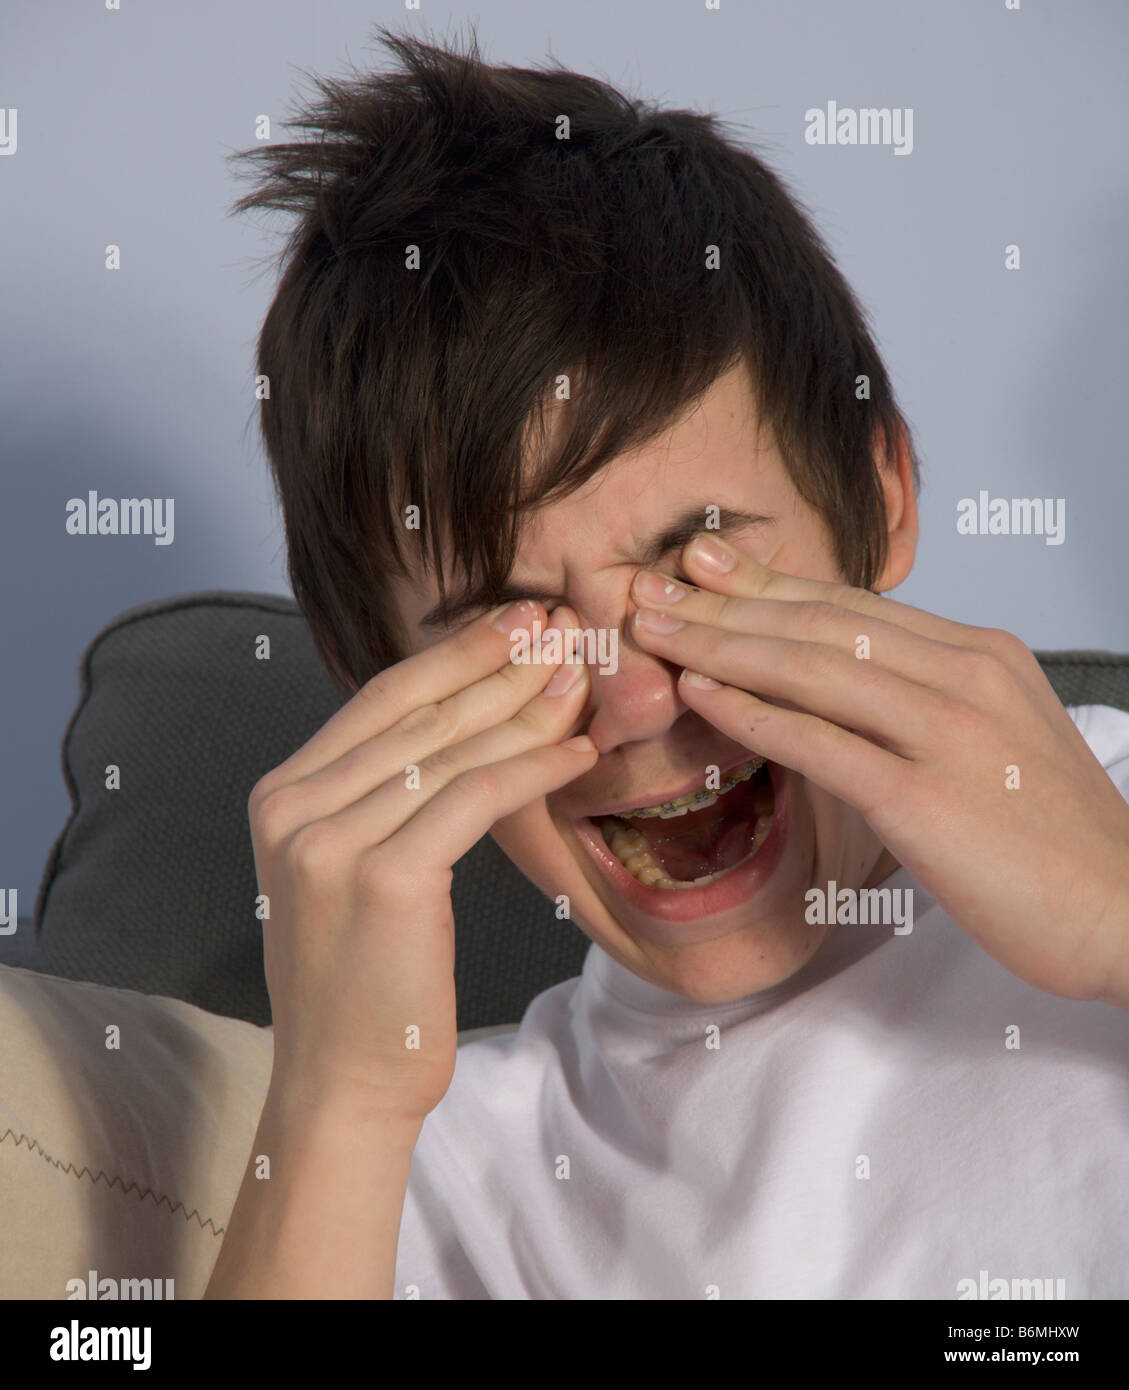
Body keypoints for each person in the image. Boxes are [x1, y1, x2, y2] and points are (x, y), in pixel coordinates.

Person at [204, 26, 1129, 1299]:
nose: (638, 700)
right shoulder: (446, 1168)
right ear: (382, 692)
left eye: (695, 558)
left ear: (882, 496)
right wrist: (339, 1101)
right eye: (512, 627)